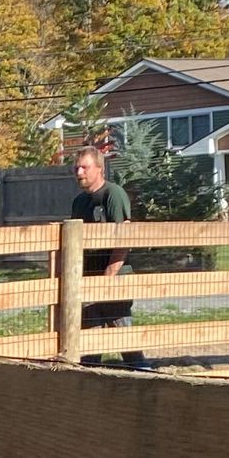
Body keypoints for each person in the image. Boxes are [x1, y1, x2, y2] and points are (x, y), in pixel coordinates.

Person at [70, 143, 149, 370]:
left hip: (115, 277)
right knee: (90, 338)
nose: (79, 173)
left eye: (84, 168)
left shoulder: (113, 194)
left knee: (122, 332)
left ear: (99, 169)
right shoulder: (79, 202)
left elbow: (124, 238)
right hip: (88, 278)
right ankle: (89, 376)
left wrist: (109, 276)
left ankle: (142, 372)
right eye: (76, 168)